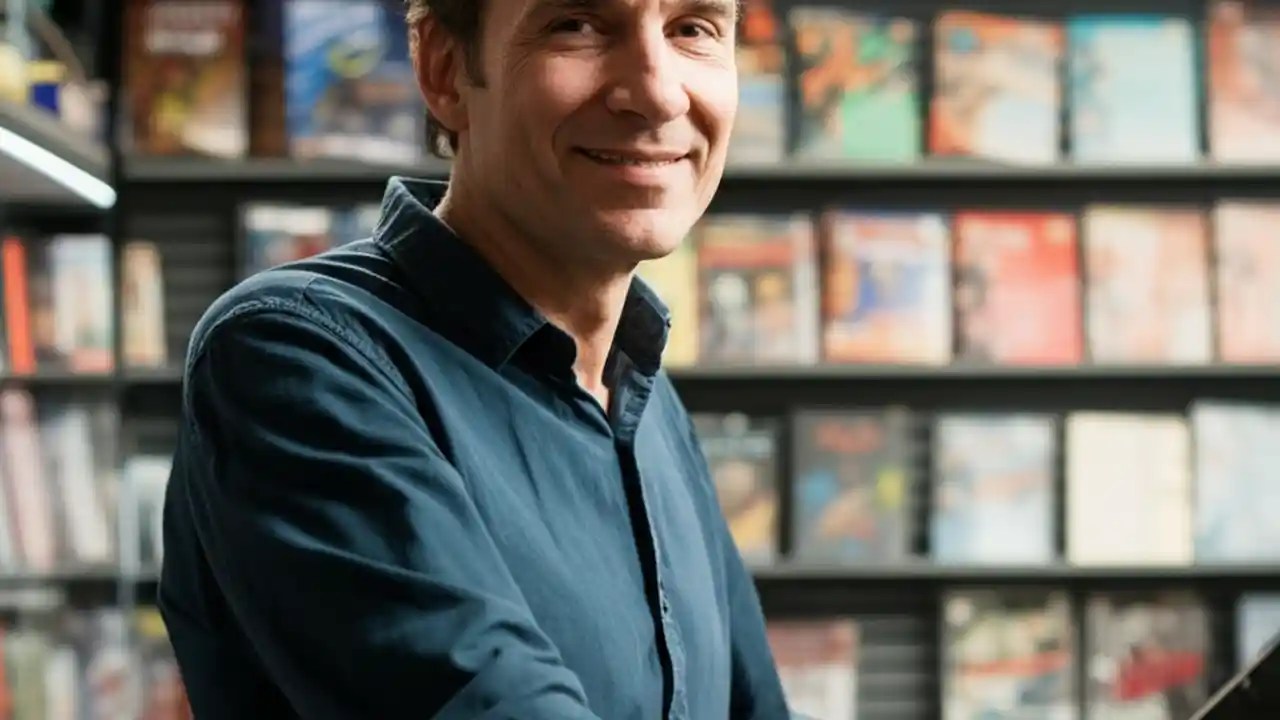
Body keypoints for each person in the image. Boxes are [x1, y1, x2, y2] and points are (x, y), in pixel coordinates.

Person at [157, 0, 793, 718]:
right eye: (577, 25)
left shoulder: (643, 397)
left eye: (694, 29)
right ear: (444, 67)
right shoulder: (296, 355)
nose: (657, 91)